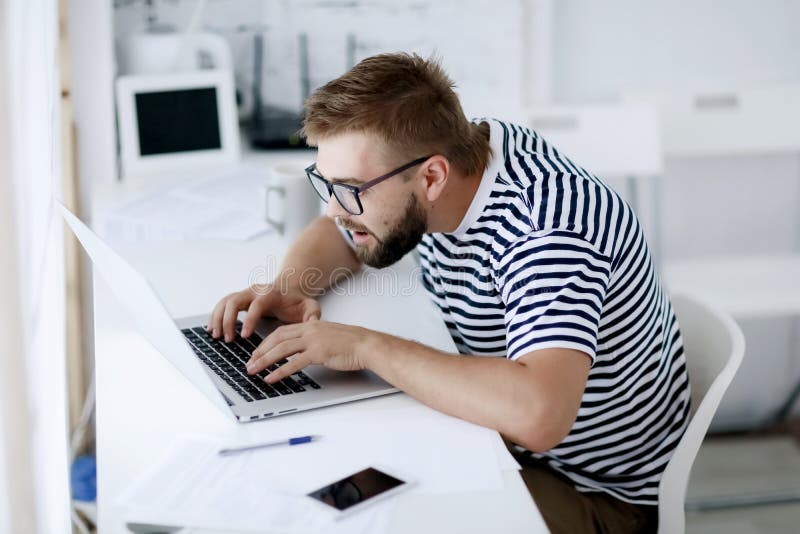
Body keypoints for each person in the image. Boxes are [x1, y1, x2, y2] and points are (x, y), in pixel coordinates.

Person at [208, 53, 689, 533]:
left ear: (432, 177)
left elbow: (539, 415)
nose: (334, 209)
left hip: (591, 490)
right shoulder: (464, 153)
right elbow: (341, 233)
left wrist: (365, 346)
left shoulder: (547, 231)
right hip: (489, 432)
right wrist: (288, 287)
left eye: (351, 189)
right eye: (327, 185)